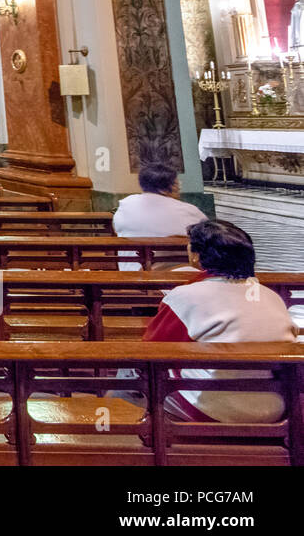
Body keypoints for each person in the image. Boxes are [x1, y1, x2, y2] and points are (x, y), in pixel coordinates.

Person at [142, 220, 298, 423]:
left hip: (212, 408)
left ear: (197, 256)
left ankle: (124, 431)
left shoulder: (185, 295)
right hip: (275, 407)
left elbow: (152, 348)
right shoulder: (271, 296)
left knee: (135, 371)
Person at [112, 164, 206, 271]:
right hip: (183, 273)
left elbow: (116, 227)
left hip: (132, 273)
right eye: (176, 183)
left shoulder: (126, 204)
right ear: (169, 187)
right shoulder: (190, 211)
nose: (179, 186)